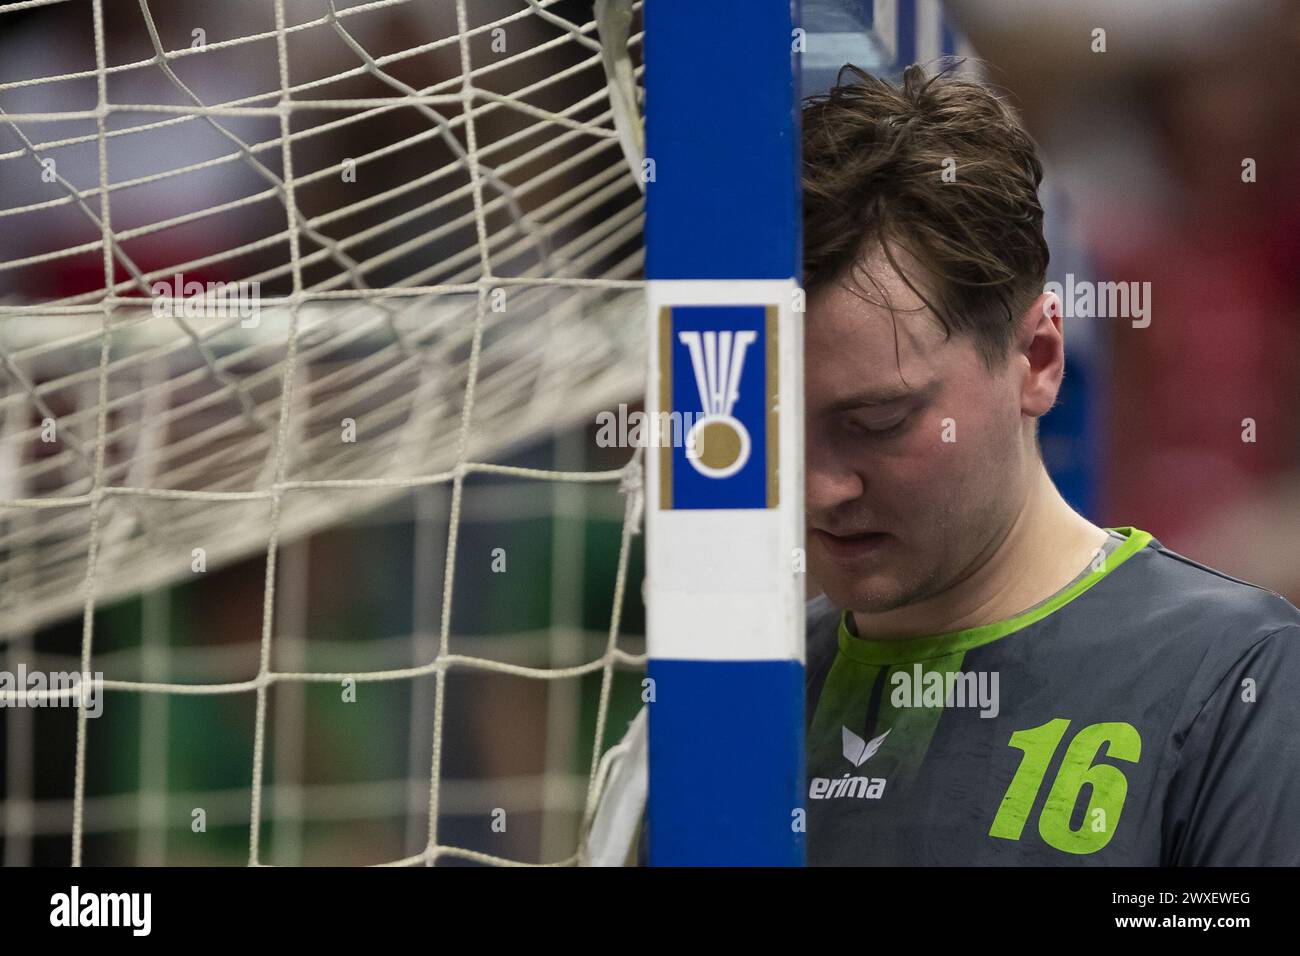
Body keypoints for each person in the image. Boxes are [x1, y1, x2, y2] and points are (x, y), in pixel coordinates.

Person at [801, 63, 1300, 864]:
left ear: (1036, 359)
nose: (821, 487)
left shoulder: (1234, 675)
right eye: (779, 430)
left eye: (879, 421)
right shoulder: (739, 684)